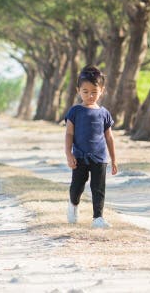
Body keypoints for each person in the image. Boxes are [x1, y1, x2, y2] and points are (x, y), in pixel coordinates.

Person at [64, 65, 118, 228]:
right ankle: (73, 205)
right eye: (85, 91)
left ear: (102, 91)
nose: (90, 95)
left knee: (98, 189)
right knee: (77, 187)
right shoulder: (75, 111)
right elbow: (69, 134)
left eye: (94, 92)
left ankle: (98, 218)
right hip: (79, 157)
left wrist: (113, 159)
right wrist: (69, 154)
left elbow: (109, 137)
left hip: (99, 158)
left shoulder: (104, 113)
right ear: (78, 90)